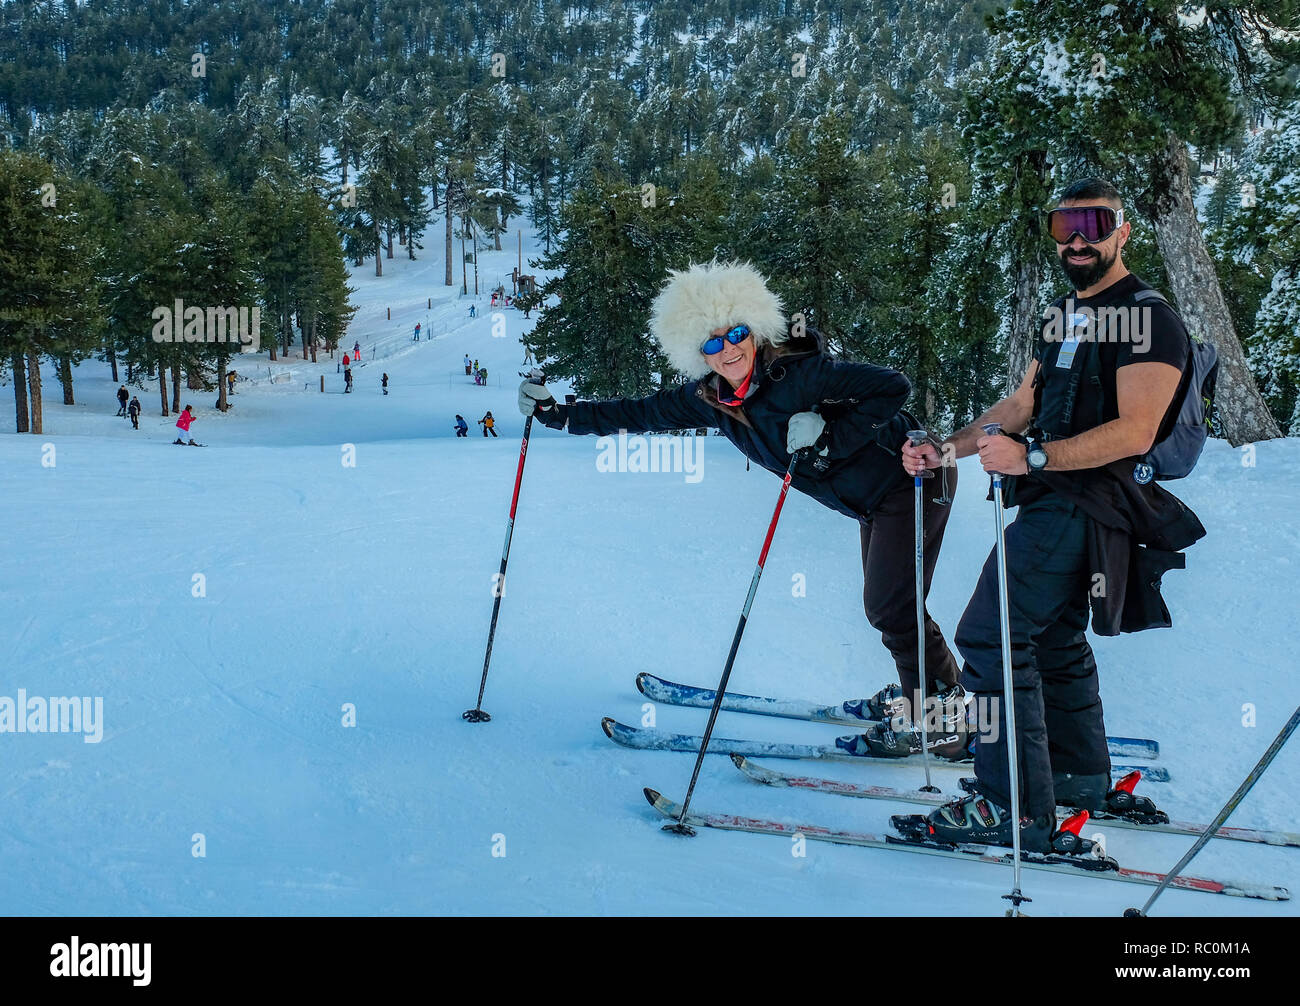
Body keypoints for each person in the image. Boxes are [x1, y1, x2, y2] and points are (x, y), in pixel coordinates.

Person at [518, 259, 964, 757]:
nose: (728, 349)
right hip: (871, 500)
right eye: (712, 343)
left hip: (914, 477)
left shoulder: (799, 375)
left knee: (890, 606)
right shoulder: (710, 400)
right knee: (894, 605)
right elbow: (639, 412)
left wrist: (829, 439)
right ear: (698, 355)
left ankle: (943, 717)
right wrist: (557, 415)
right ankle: (928, 699)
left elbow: (892, 387)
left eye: (736, 334)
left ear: (755, 329)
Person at [900, 178, 1202, 852]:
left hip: (1088, 502)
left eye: (1094, 222)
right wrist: (948, 450)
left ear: (1123, 231)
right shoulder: (1063, 315)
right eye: (1063, 224)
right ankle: (1077, 780)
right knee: (1049, 640)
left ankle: (1010, 807)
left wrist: (1033, 461)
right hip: (1059, 499)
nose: (1078, 238)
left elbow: (1138, 430)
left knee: (990, 636)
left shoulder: (1147, 317)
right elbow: (1021, 406)